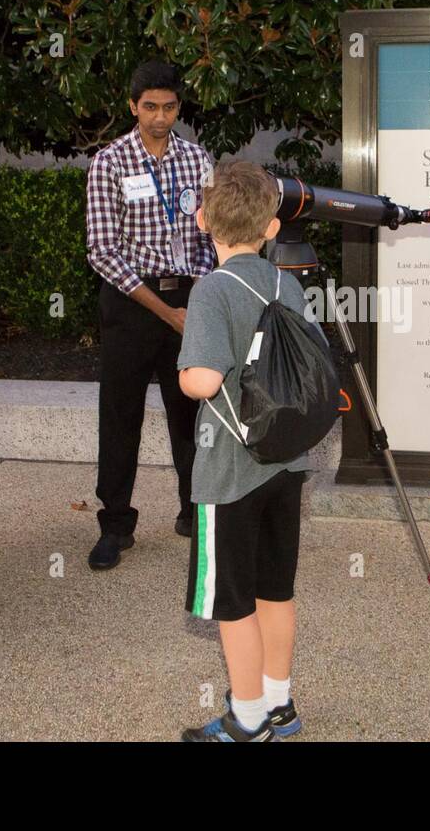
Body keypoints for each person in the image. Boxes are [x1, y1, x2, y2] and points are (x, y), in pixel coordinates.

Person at [176, 161, 311, 741]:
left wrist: (187, 373)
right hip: (287, 462)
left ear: (204, 220)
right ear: (273, 227)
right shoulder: (291, 283)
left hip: (230, 472)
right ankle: (279, 704)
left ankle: (248, 719)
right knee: (275, 590)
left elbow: (203, 381)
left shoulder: (212, 290)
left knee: (233, 603)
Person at [85, 60, 215, 569]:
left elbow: (210, 235)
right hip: (132, 304)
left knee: (192, 415)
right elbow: (102, 250)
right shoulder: (110, 162)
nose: (160, 118)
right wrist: (165, 311)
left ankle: (194, 512)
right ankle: (116, 524)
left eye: (169, 107)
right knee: (121, 416)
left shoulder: (198, 159)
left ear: (179, 106)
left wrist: (199, 295)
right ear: (133, 106)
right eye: (150, 107)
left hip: (190, 300)